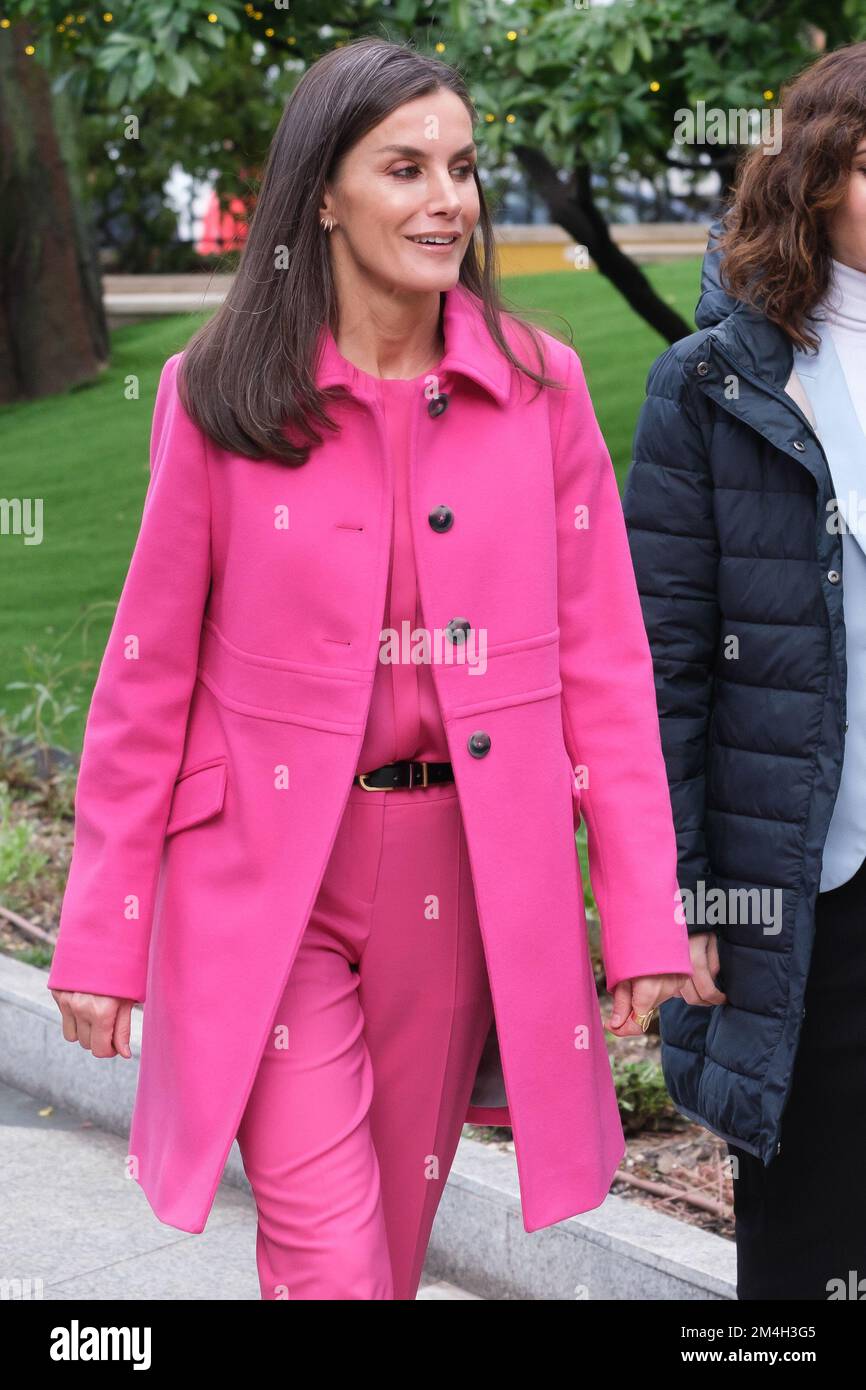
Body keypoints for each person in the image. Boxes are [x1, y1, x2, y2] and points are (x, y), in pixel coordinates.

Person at [48, 37, 692, 1300]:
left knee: (382, 1263)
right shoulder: (218, 393)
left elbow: (608, 671)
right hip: (266, 888)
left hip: (459, 878)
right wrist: (101, 934)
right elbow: (145, 682)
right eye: (404, 168)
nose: (446, 200)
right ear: (323, 195)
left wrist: (645, 915)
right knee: (332, 1262)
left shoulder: (541, 391)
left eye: (460, 167)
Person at [623, 41, 866, 1300]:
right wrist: (677, 895)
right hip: (802, 888)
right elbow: (657, 669)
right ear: (816, 176)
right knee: (809, 1241)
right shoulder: (710, 388)